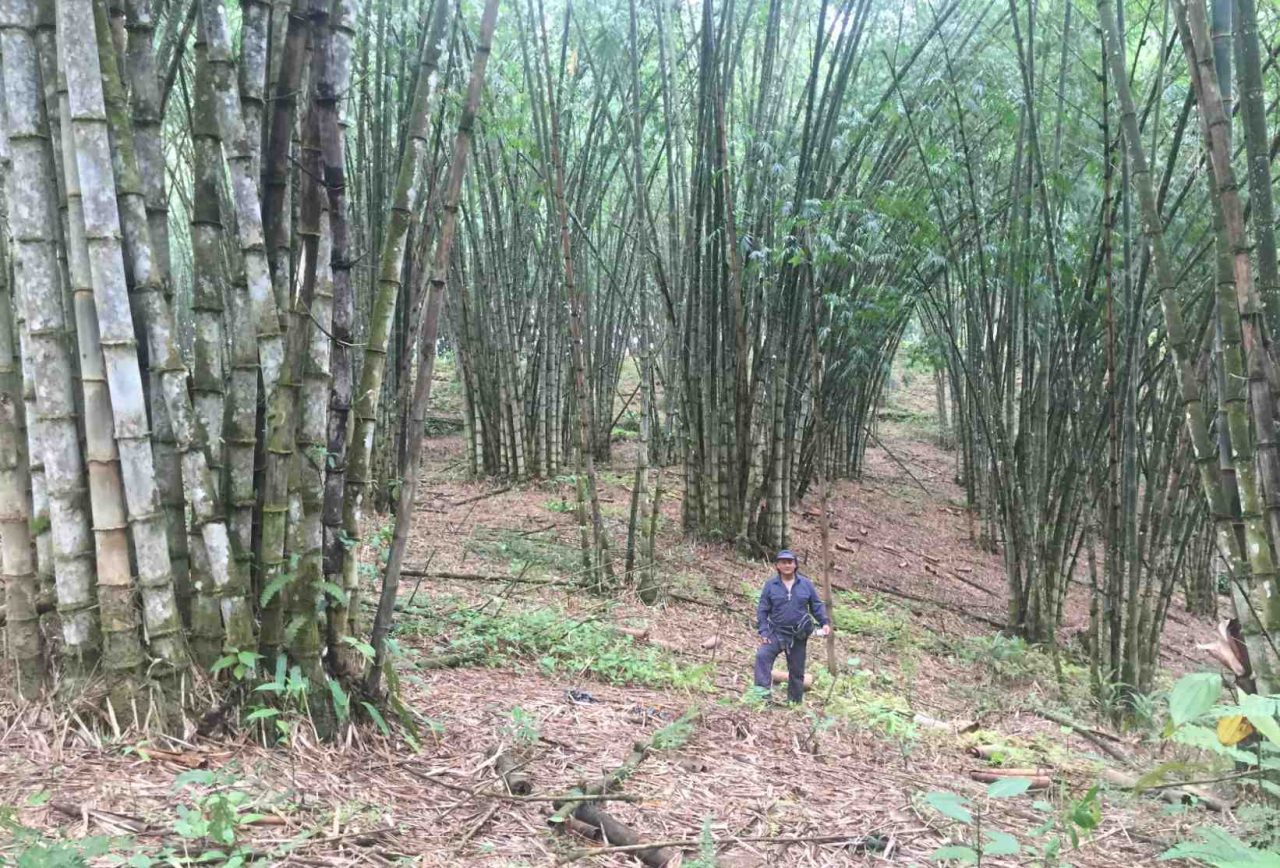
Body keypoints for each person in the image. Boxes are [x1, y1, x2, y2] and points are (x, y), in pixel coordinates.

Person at [754, 550, 830, 704]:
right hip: (775, 632)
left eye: (790, 562)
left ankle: (794, 703)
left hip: (798, 635)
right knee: (762, 657)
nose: (787, 565)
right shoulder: (770, 585)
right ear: (777, 566)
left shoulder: (806, 584)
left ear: (795, 565)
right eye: (783, 562)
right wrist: (764, 631)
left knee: (797, 670)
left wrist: (825, 622)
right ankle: (762, 698)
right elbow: (762, 609)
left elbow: (816, 605)